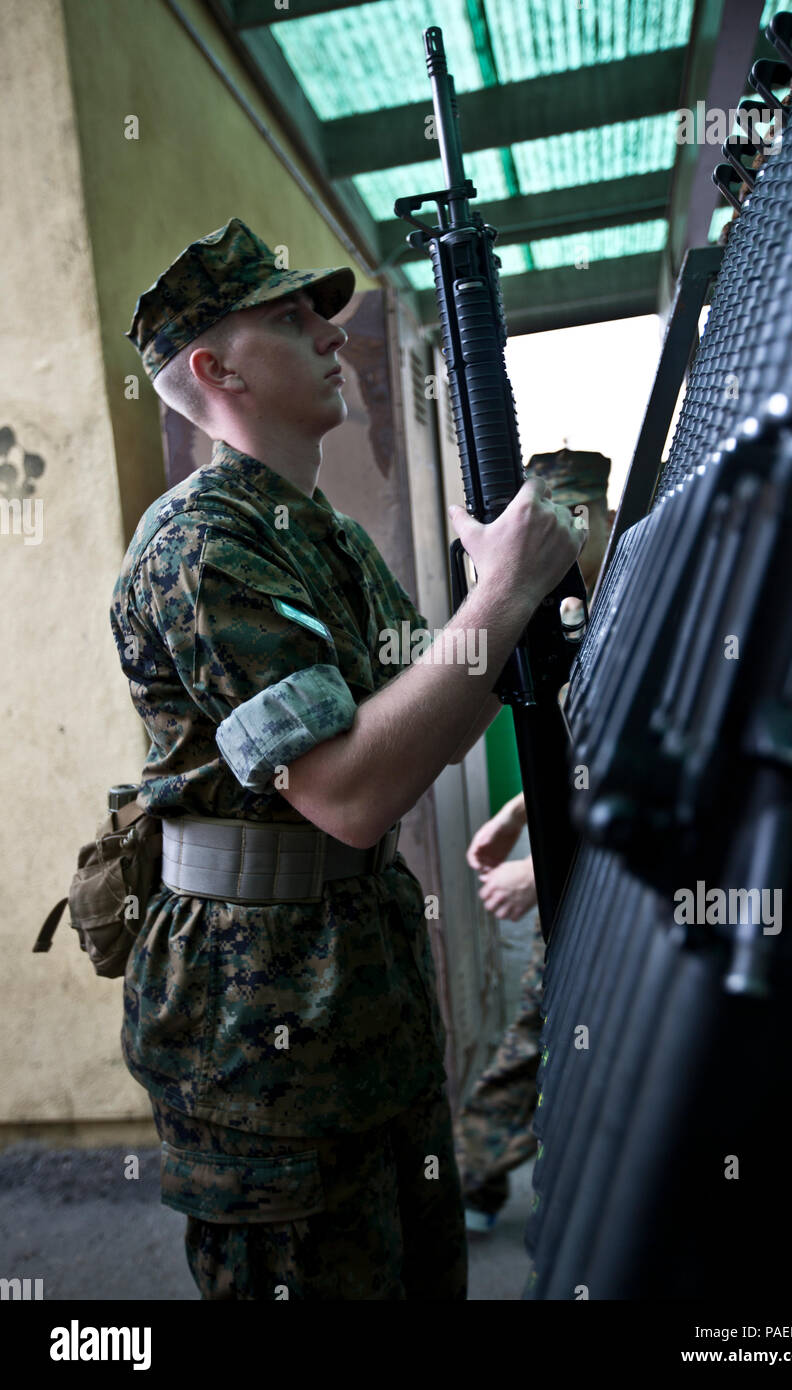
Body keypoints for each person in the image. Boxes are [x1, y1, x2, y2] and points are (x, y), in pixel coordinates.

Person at [111, 218, 587, 1299]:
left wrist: (509, 611)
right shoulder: (199, 546)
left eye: (322, 311)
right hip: (258, 1044)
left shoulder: (318, 533)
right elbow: (348, 791)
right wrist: (499, 595)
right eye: (290, 317)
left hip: (366, 1004)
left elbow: (427, 719)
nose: (330, 334)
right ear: (214, 367)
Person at [452, 449, 614, 1232]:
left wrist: (544, 868)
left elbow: (646, 762)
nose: (567, 538)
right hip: (596, 863)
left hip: (635, 870)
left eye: (578, 519)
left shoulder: (638, 601)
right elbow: (587, 751)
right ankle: (478, 1178)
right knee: (543, 1033)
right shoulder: (569, 611)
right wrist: (522, 817)